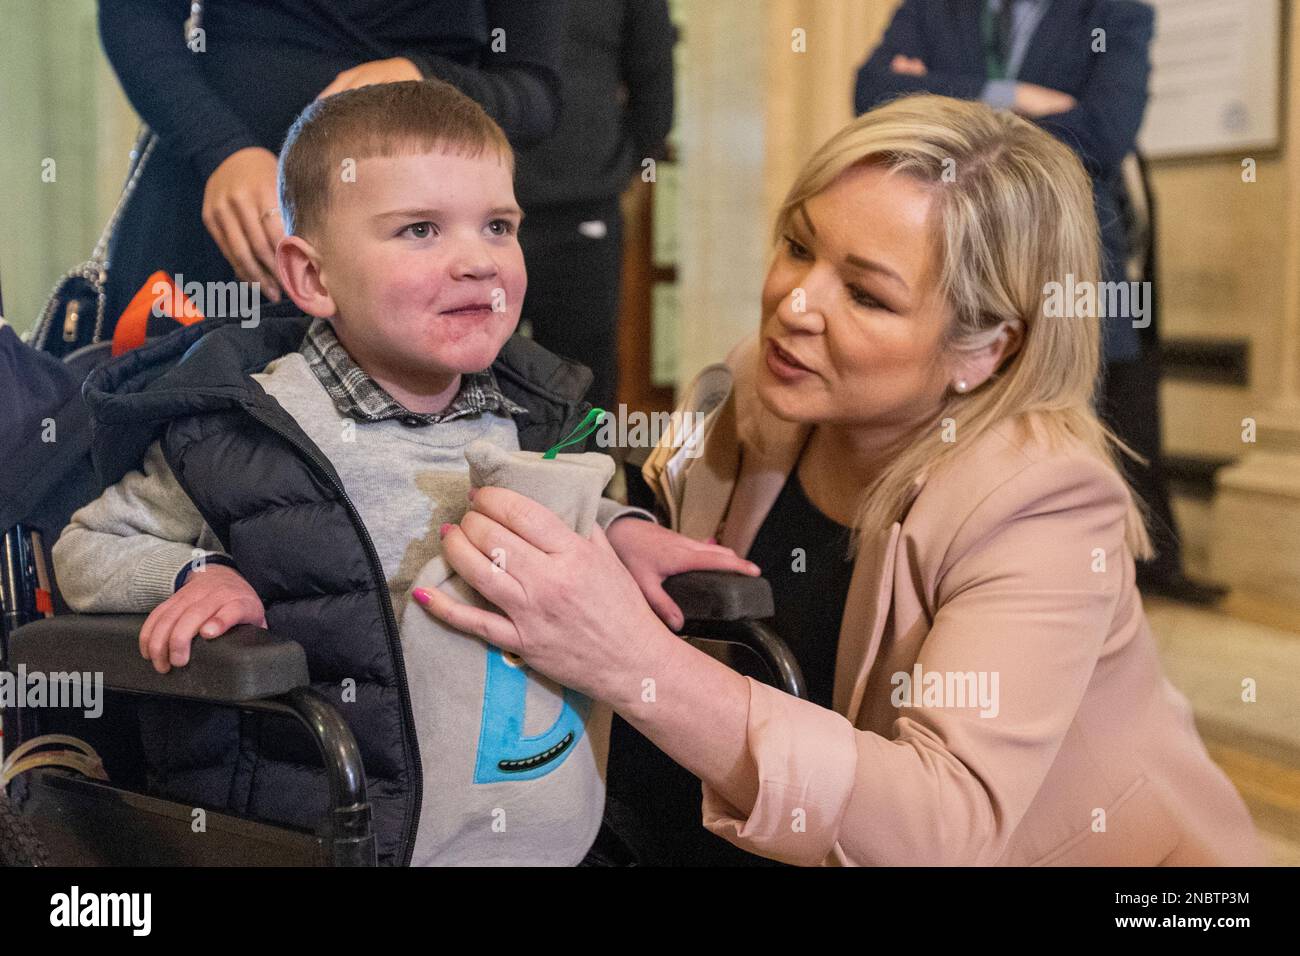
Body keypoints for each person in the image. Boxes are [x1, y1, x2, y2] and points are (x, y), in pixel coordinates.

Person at [414, 95, 1264, 866]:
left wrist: (630, 657)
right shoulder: (763, 388)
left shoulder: (1044, 502)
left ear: (983, 349)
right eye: (798, 246)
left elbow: (943, 826)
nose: (795, 303)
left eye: (865, 294)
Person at [51, 81, 754, 866]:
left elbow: (579, 519)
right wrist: (195, 574)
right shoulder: (242, 431)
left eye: (499, 226)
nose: (477, 260)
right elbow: (86, 548)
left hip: (544, 828)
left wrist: (624, 534)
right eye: (420, 230)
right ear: (312, 276)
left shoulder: (538, 410)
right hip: (333, 831)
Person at [853, 0, 1221, 604]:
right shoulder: (928, 7)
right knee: (935, 441)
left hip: (1065, 260)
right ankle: (937, 592)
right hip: (946, 257)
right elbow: (873, 96)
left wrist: (942, 103)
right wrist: (1019, 94)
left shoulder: (1117, 12)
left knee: (1060, 450)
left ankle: (1069, 611)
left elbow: (1105, 131)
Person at [98, 0, 567, 334]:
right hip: (220, 208)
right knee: (167, 438)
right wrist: (221, 151)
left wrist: (423, 77)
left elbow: (536, 95)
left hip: (412, 231)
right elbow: (135, 14)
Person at [513, 0, 676, 412]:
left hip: (579, 201)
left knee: (580, 381)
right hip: (482, 202)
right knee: (471, 367)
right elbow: (654, 85)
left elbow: (654, 83)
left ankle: (585, 476)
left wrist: (617, 168)